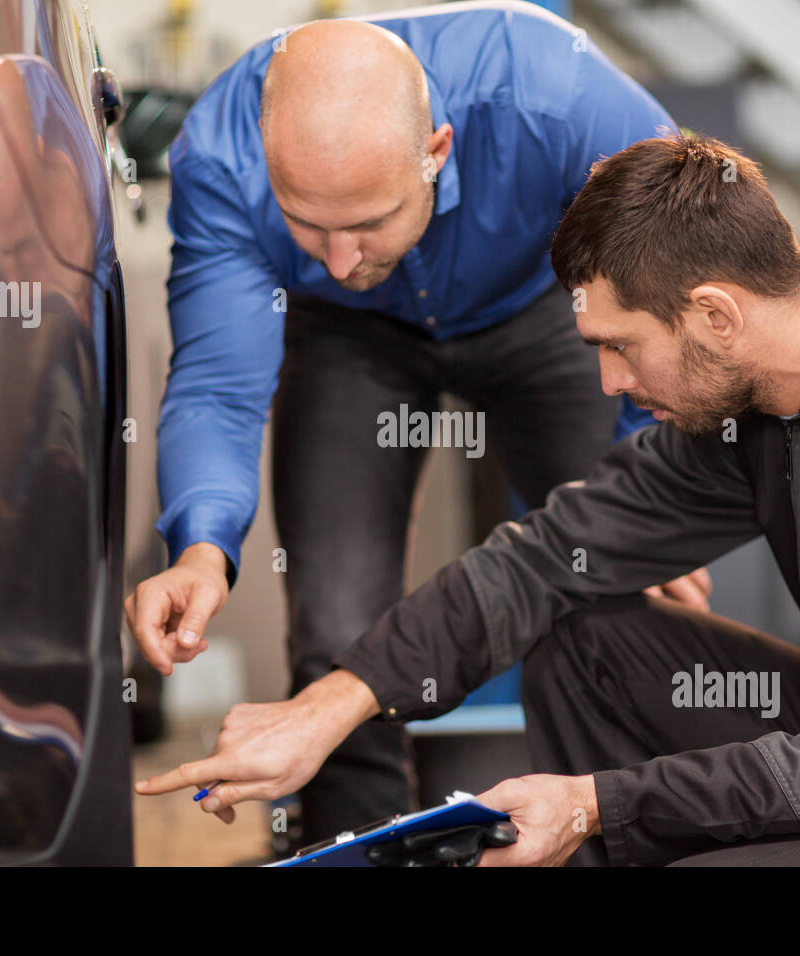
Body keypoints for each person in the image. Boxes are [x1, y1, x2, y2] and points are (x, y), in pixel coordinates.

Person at [136, 133, 800, 866]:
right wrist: (331, 704)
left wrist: (596, 803)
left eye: (618, 345)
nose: (607, 384)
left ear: (714, 313)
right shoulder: (766, 404)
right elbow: (552, 556)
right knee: (588, 649)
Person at [125, 3, 711, 845]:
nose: (336, 255)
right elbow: (218, 383)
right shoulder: (221, 150)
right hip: (346, 334)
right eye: (306, 222)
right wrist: (201, 546)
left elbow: (665, 312)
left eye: (367, 222)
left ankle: (629, 833)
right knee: (336, 621)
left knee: (613, 582)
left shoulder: (560, 97)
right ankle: (354, 851)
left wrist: (658, 493)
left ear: (435, 148)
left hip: (543, 308)